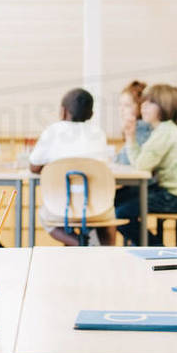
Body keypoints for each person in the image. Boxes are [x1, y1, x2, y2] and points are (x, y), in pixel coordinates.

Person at [112, 83, 177, 246]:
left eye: (150, 103)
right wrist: (130, 137)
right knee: (118, 200)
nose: (143, 106)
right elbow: (141, 162)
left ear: (164, 107)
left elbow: (141, 166)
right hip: (174, 193)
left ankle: (156, 248)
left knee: (120, 212)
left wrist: (130, 139)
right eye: (143, 102)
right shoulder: (163, 130)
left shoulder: (165, 132)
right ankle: (152, 246)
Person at [29, 88, 111, 245]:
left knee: (44, 217)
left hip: (59, 207)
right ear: (91, 114)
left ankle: (78, 244)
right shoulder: (98, 133)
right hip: (97, 207)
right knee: (108, 216)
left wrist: (53, 164)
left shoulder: (53, 131)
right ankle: (104, 251)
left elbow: (33, 167)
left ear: (63, 111)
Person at [114, 80, 151, 165]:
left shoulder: (143, 130)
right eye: (120, 104)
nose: (121, 110)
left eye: (127, 105)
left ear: (141, 106)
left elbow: (125, 161)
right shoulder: (136, 128)